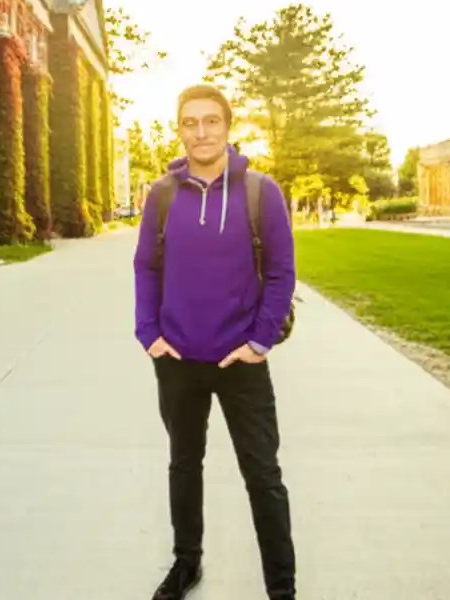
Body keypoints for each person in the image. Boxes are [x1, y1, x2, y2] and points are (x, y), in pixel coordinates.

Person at [133, 84, 297, 600]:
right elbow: (145, 267)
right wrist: (149, 333)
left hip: (242, 362)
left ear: (228, 126)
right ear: (179, 130)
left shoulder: (260, 191)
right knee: (184, 466)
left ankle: (282, 587)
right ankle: (187, 564)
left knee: (263, 477)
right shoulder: (161, 195)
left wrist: (260, 340)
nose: (200, 132)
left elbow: (281, 273)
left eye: (211, 121)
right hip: (178, 360)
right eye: (190, 122)